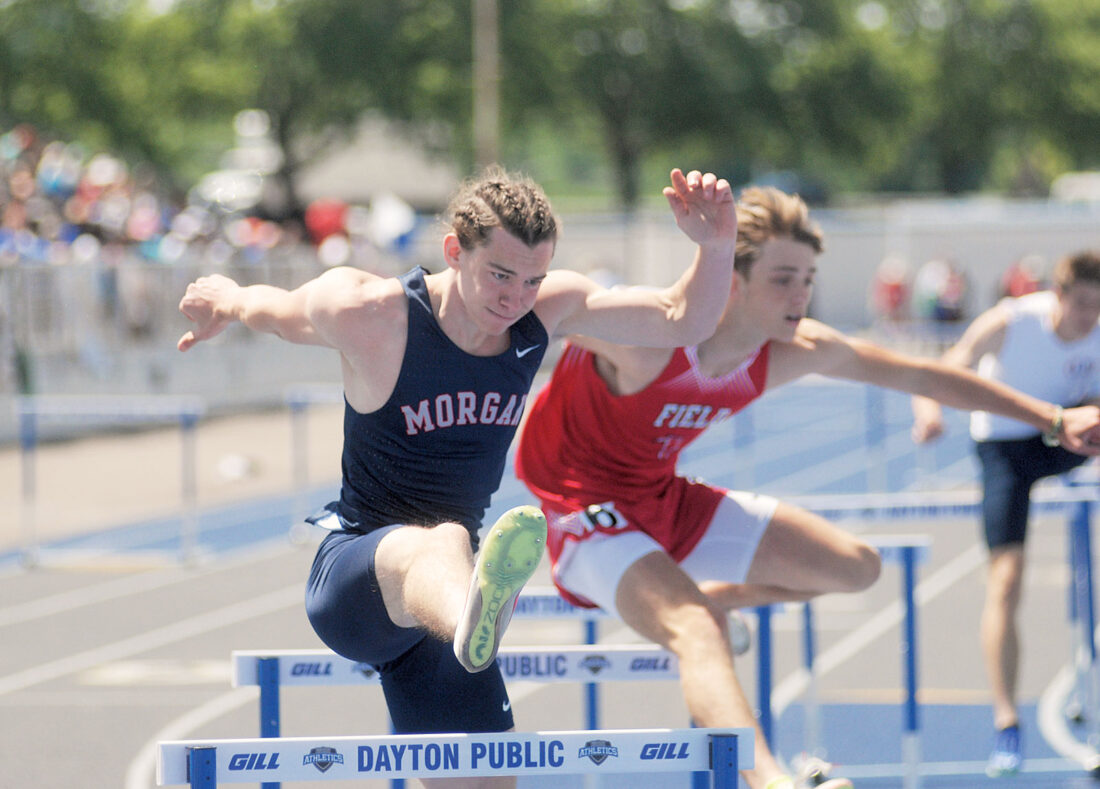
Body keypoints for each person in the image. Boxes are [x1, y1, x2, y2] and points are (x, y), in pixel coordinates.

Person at [514, 188, 1100, 789]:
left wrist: (1053, 419)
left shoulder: (795, 351)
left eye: (808, 280)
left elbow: (924, 375)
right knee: (697, 629)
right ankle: (772, 779)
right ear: (732, 281)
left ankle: (713, 598)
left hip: (661, 497)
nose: (801, 295)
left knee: (855, 567)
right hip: (580, 507)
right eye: (783, 280)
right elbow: (557, 306)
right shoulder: (649, 340)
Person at [177, 165, 738, 789]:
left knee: (490, 783)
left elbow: (682, 319)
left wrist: (716, 246)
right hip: (357, 581)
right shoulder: (371, 313)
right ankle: (477, 614)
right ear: (453, 251)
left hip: (445, 624)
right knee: (441, 539)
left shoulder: (543, 314)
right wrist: (224, 298)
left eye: (532, 280)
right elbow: (274, 309)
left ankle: (472, 617)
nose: (515, 298)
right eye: (499, 275)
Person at [911, 249, 1100, 778]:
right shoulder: (1010, 322)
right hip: (1005, 450)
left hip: (1071, 436)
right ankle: (1007, 722)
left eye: (1098, 308)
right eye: (1082, 305)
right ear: (1057, 295)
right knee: (1006, 582)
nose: (1089, 317)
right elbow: (942, 372)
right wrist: (929, 414)